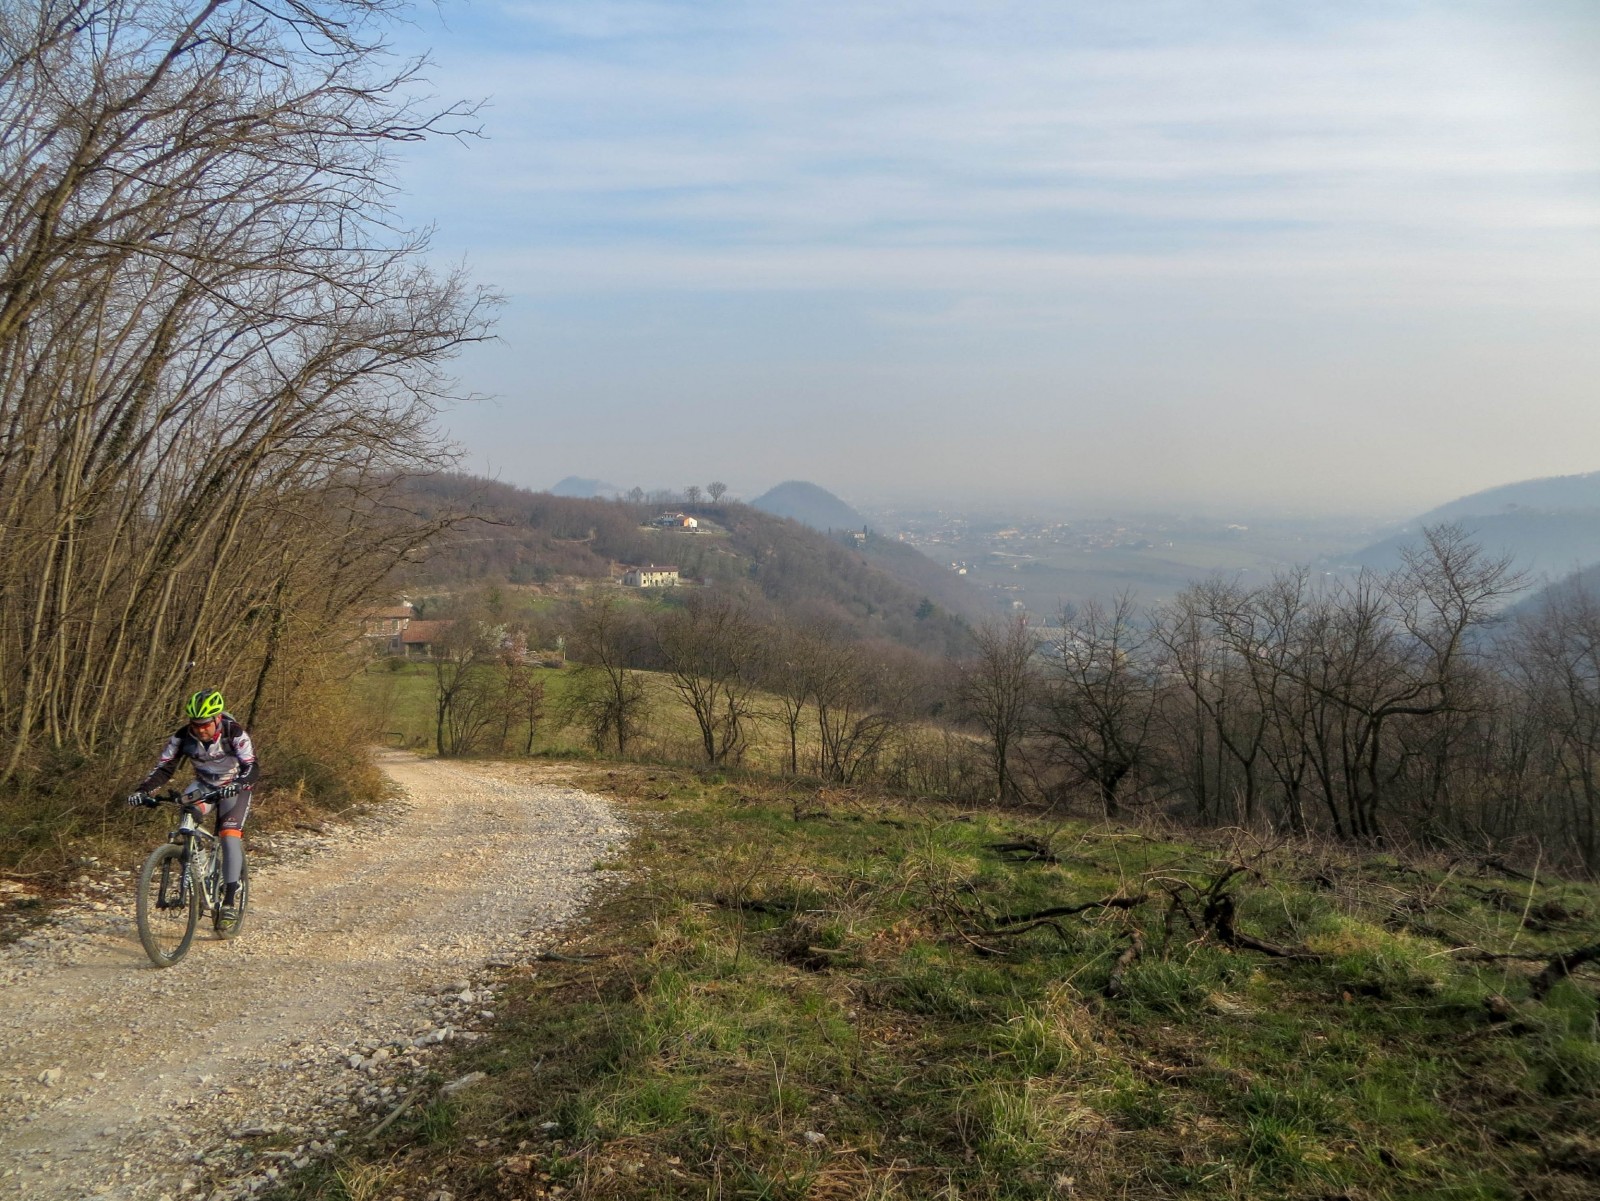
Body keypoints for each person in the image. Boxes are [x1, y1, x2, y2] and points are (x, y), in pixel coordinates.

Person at [126, 688, 260, 923]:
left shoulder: (234, 733)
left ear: (217, 718)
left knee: (229, 834)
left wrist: (239, 784)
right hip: (204, 785)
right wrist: (142, 790)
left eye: (205, 724)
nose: (200, 729)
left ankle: (229, 899)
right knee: (187, 818)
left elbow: (251, 766)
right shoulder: (182, 737)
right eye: (195, 724)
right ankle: (198, 873)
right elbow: (164, 767)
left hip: (234, 787)